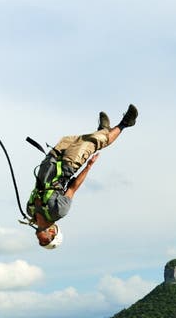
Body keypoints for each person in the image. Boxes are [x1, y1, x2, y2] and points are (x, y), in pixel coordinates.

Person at [27, 104, 138, 249]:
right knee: (96, 141)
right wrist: (88, 166)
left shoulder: (31, 211)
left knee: (75, 139)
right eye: (44, 241)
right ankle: (126, 123)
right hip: (69, 165)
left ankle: (103, 130)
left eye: (42, 243)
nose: (40, 241)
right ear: (53, 232)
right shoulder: (58, 211)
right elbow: (73, 188)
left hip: (52, 159)